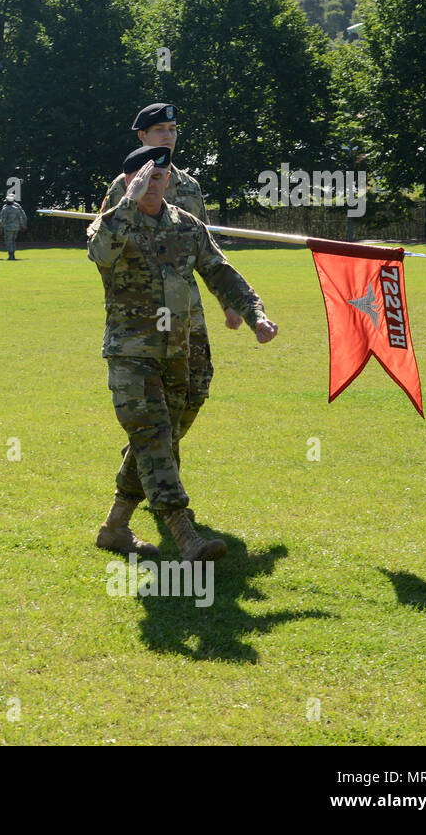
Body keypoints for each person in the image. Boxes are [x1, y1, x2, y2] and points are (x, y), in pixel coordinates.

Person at [87, 146, 278, 561]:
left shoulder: (187, 226)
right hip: (131, 352)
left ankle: (115, 526)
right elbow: (100, 253)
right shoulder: (112, 223)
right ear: (126, 182)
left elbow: (220, 272)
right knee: (153, 436)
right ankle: (184, 533)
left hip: (179, 352)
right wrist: (128, 201)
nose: (152, 185)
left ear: (170, 180)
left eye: (159, 177)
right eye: (142, 178)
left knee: (160, 438)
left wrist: (255, 315)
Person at [100, 102, 241, 450]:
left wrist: (229, 301)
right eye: (160, 130)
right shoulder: (124, 185)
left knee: (196, 388)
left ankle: (144, 456)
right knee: (154, 398)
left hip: (187, 307)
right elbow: (105, 247)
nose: (168, 136)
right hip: (145, 310)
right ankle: (151, 466)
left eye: (173, 130)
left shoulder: (190, 186)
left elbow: (207, 250)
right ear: (143, 136)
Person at [1, 192, 26, 259]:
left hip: (8, 228)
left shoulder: (5, 209)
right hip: (16, 227)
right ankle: (13, 254)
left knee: (8, 241)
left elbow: (3, 220)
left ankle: (11, 255)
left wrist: (1, 227)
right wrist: (22, 225)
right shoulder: (16, 208)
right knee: (13, 241)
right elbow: (20, 217)